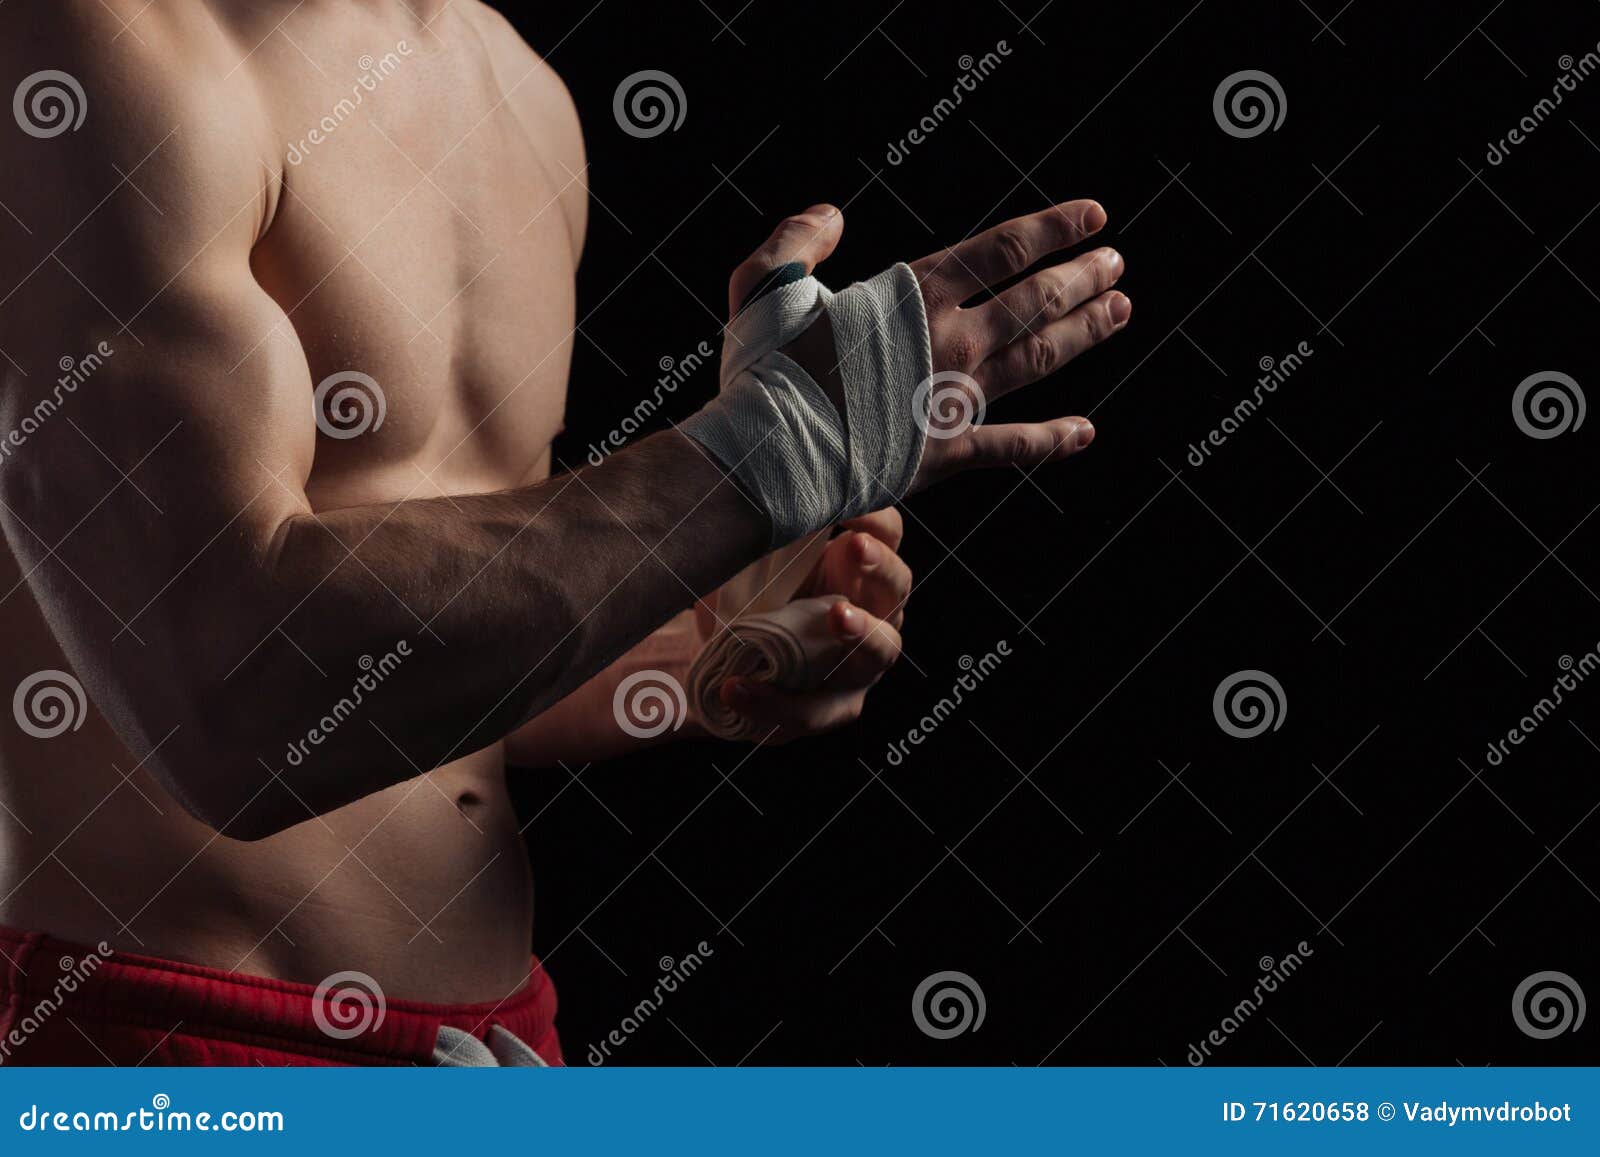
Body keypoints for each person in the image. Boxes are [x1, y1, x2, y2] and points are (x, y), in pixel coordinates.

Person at [0, 0, 1129, 1066]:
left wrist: (697, 650)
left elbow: (450, 653)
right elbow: (224, 696)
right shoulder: (94, 44)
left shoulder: (521, 95)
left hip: (494, 1041)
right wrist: (754, 461)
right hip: (144, 1029)